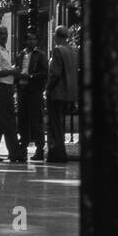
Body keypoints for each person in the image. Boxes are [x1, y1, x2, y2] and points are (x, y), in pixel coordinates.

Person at [0, 23, 24, 163]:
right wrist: (12, 71)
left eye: (6, 34)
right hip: (0, 89)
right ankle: (15, 153)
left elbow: (4, 68)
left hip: (6, 88)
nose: (5, 37)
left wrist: (13, 70)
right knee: (8, 121)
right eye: (2, 34)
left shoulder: (3, 50)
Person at [46, 25, 79, 163]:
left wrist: (48, 88)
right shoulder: (73, 51)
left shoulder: (57, 50)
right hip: (69, 92)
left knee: (54, 124)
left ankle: (57, 153)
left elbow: (55, 74)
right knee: (59, 123)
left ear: (56, 36)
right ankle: (60, 152)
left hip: (57, 92)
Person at [16, 29, 48, 161]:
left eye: (34, 39)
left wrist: (30, 76)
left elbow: (45, 73)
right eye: (29, 39)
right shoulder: (21, 55)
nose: (32, 41)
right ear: (25, 40)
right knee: (23, 120)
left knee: (36, 121)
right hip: (22, 91)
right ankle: (22, 149)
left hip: (34, 91)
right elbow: (17, 69)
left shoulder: (40, 55)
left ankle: (39, 149)